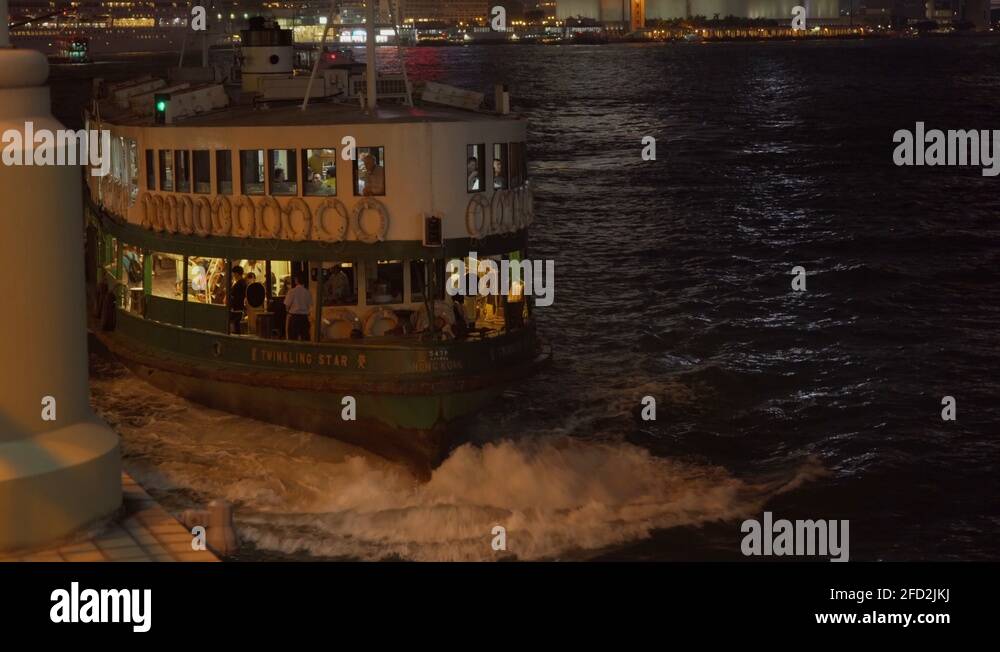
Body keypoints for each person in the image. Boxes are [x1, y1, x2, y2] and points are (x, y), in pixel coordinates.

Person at [284, 273, 313, 341]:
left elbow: (287, 305)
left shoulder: (292, 291)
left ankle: (294, 351)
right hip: (304, 318)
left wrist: (288, 313)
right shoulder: (307, 292)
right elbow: (310, 305)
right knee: (305, 339)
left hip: (294, 318)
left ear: (296, 280)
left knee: (293, 339)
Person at [229, 266, 247, 334]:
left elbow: (235, 296)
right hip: (239, 307)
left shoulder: (239, 284)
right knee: (236, 324)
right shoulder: (242, 282)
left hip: (238, 307)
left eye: (234, 273)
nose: (233, 275)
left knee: (237, 324)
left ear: (237, 274)